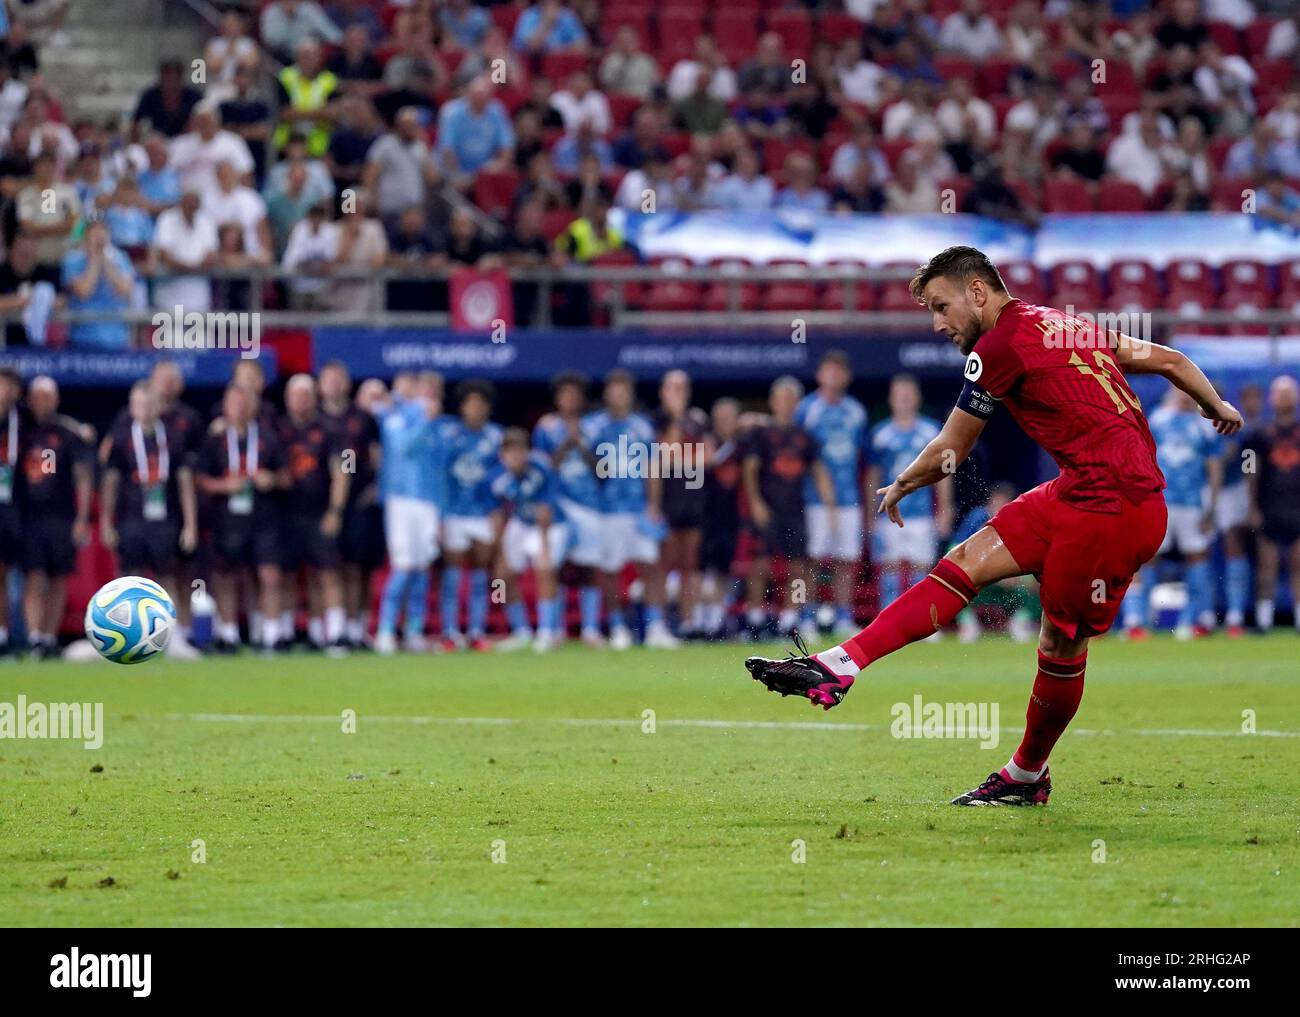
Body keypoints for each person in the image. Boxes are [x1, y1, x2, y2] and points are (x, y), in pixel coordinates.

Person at [745, 245, 1243, 807]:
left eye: (941, 306)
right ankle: (840, 664)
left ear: (977, 291)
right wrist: (1216, 404)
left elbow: (952, 448)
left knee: (1060, 643)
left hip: (1115, 507)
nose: (937, 323)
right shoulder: (1066, 325)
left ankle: (1027, 775)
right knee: (964, 562)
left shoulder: (998, 345)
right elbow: (1173, 361)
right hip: (1080, 490)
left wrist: (905, 482)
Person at [99, 381, 200, 658]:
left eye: (148, 404)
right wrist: (107, 522)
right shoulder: (120, 438)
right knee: (128, 578)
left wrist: (191, 525)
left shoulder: (172, 437)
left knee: (168, 576)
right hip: (131, 519)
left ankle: (176, 638)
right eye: (138, 405)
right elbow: (110, 482)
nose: (143, 409)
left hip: (165, 519)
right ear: (131, 408)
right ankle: (124, 635)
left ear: (158, 406)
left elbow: (184, 482)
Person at [1122, 389, 1222, 639]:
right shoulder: (1158, 419)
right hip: (1159, 502)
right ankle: (1136, 621)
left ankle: (1193, 622)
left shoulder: (1206, 426)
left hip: (1192, 504)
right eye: (1181, 388)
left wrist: (1211, 506)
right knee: (1145, 559)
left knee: (1197, 559)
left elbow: (1215, 467)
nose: (1185, 394)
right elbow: (1141, 458)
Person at [196, 382, 285, 654]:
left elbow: (287, 476)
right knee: (226, 576)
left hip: (264, 517)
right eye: (234, 403)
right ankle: (229, 634)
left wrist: (272, 479)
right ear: (225, 406)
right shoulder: (215, 439)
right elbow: (199, 479)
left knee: (269, 575)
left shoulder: (269, 437)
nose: (239, 408)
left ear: (253, 407)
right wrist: (224, 486)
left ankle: (272, 635)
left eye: (244, 403)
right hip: (227, 519)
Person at [742, 376, 833, 639]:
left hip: (795, 510)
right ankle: (755, 620)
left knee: (798, 567)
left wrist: (829, 505)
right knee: (760, 565)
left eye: (790, 399)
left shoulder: (804, 438)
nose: (785, 404)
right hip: (767, 508)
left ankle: (789, 620)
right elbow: (750, 470)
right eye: (780, 399)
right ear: (772, 402)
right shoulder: (759, 434)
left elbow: (818, 471)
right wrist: (756, 503)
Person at [586, 370, 664, 649]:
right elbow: (583, 468)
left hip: (638, 508)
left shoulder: (642, 427)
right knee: (609, 571)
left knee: (651, 566)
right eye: (614, 389)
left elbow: (652, 468)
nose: (619, 395)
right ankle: (618, 626)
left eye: (624, 390)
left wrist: (653, 504)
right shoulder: (592, 427)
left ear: (630, 394)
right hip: (606, 510)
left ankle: (656, 627)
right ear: (607, 393)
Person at [866, 374, 952, 619]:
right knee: (889, 567)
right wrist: (872, 512)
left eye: (908, 394)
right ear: (891, 399)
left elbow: (943, 472)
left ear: (917, 398)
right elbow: (872, 476)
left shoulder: (931, 431)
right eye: (898, 394)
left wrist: (944, 509)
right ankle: (888, 619)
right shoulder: (880, 433)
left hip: (922, 512)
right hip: (889, 510)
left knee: (922, 568)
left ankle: (921, 619)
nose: (903, 398)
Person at [796, 350, 868, 639]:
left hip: (848, 497)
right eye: (829, 370)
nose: (834, 376)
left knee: (846, 560)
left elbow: (861, 457)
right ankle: (807, 618)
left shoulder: (856, 411)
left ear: (847, 377)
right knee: (813, 559)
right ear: (819, 374)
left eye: (840, 371)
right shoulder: (806, 409)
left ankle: (843, 617)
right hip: (813, 499)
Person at [277, 373, 351, 655]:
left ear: (314, 397)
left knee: (329, 573)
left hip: (320, 512)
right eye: (295, 395)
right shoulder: (278, 428)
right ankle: (281, 634)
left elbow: (342, 471)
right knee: (284, 575)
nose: (300, 401)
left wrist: (336, 510)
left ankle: (335, 634)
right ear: (287, 399)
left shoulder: (330, 428)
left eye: (305, 394)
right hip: (284, 513)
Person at [373, 372, 446, 655]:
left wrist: (440, 513)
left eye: (436, 388)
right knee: (402, 567)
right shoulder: (395, 415)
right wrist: (425, 419)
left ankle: (414, 631)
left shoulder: (440, 426)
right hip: (401, 500)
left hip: (428, 503)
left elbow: (440, 472)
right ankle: (385, 630)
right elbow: (402, 447)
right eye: (426, 386)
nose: (431, 392)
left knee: (421, 570)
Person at [20, 376, 92, 659]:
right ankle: (34, 636)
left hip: (61, 516)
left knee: (60, 577)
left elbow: (83, 476)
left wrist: (82, 517)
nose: (41, 403)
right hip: (29, 516)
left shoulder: (67, 432)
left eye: (47, 397)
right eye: (37, 397)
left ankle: (49, 637)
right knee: (34, 576)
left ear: (56, 400)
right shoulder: (20, 430)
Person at [532, 372, 606, 646]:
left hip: (589, 504)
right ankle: (551, 630)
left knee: (589, 567)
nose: (570, 399)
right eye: (565, 394)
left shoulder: (595, 428)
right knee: (553, 566)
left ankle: (589, 629)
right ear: (557, 398)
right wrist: (567, 443)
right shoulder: (546, 427)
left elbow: (604, 470)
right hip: (558, 505)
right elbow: (540, 468)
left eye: (575, 394)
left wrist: (582, 445)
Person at [319, 360, 382, 649]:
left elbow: (375, 455)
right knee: (330, 566)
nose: (333, 384)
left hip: (358, 502)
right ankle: (332, 630)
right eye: (328, 379)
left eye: (338, 379)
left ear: (347, 383)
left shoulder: (362, 418)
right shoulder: (315, 418)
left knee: (358, 567)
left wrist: (375, 485)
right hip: (321, 503)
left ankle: (357, 629)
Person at [489, 428, 569, 654]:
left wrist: (544, 548)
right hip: (520, 522)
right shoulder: (495, 478)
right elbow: (497, 514)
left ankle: (546, 633)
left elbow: (545, 510)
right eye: (510, 452)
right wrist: (500, 549)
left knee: (544, 570)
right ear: (502, 455)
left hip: (550, 525)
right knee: (501, 579)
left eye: (520, 451)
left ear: (527, 452)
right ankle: (521, 631)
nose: (516, 456)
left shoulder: (541, 468)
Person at [439, 380, 503, 652]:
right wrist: (439, 515)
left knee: (480, 573)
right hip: (454, 512)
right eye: (470, 403)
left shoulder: (497, 437)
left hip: (482, 513)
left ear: (487, 408)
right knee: (452, 574)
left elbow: (502, 477)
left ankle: (477, 631)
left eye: (480, 404)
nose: (475, 409)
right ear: (462, 407)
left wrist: (498, 512)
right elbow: (440, 475)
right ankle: (450, 632)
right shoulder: (449, 434)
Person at [950, 483, 1038, 644]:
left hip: (1008, 576)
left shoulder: (1019, 519)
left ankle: (1020, 622)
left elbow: (1030, 553)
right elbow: (954, 549)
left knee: (1037, 581)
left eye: (1004, 503)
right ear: (989, 502)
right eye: (996, 502)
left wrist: (1015, 572)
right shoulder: (977, 517)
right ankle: (968, 624)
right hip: (976, 572)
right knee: (953, 581)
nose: (998, 507)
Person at [1246, 376, 1300, 634]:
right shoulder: (1259, 435)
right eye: (1281, 393)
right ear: (1272, 398)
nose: (1285, 397)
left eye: (1289, 392)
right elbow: (1250, 472)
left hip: (1297, 507)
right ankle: (1263, 620)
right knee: (1266, 567)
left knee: (1298, 565)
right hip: (1269, 507)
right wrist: (1253, 507)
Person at [697, 397, 744, 639]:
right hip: (705, 513)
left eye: (730, 417)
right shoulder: (707, 440)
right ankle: (699, 621)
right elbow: (709, 461)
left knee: (724, 569)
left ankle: (716, 621)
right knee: (703, 568)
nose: (725, 422)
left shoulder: (742, 444)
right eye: (721, 418)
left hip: (730, 515)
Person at [0, 369, 23, 654]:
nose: (5, 392)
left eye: (10, 387)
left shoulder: (23, 419)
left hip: (12, 510)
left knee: (5, 573)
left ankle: (5, 635)